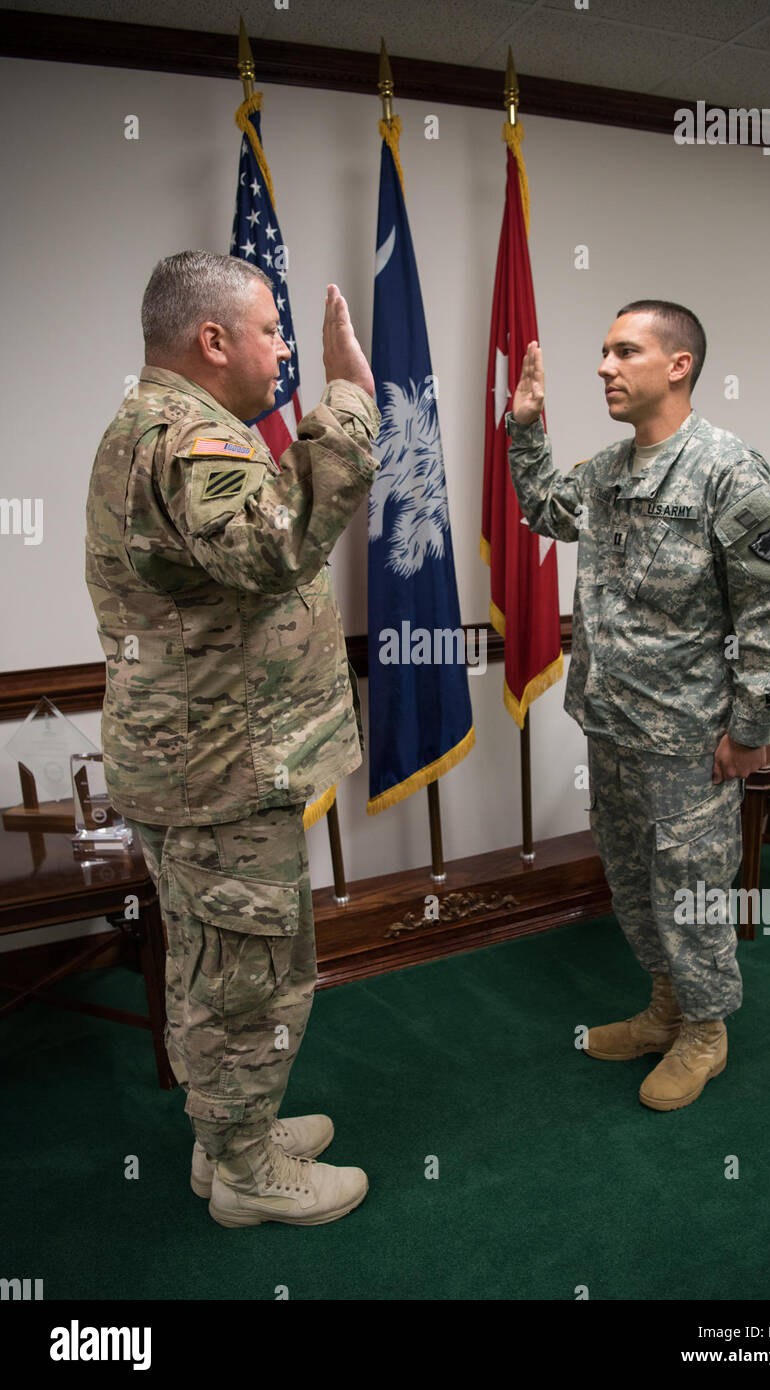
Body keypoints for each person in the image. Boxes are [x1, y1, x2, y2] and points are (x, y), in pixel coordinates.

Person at [85, 250, 380, 1225]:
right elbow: (270, 544)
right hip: (222, 766)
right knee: (250, 972)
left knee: (216, 964)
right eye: (271, 330)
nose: (285, 347)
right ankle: (249, 1172)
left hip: (204, 758)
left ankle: (230, 1138)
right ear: (213, 340)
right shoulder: (183, 434)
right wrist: (345, 405)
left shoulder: (164, 424)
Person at [506, 300, 770, 1111]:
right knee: (634, 878)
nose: (603, 365)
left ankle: (707, 1031)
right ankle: (665, 1007)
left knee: (694, 888)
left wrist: (747, 733)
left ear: (678, 365)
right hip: (612, 724)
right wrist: (525, 427)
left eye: (623, 351)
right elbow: (544, 510)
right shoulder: (607, 473)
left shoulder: (728, 472)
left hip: (689, 740)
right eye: (603, 351)